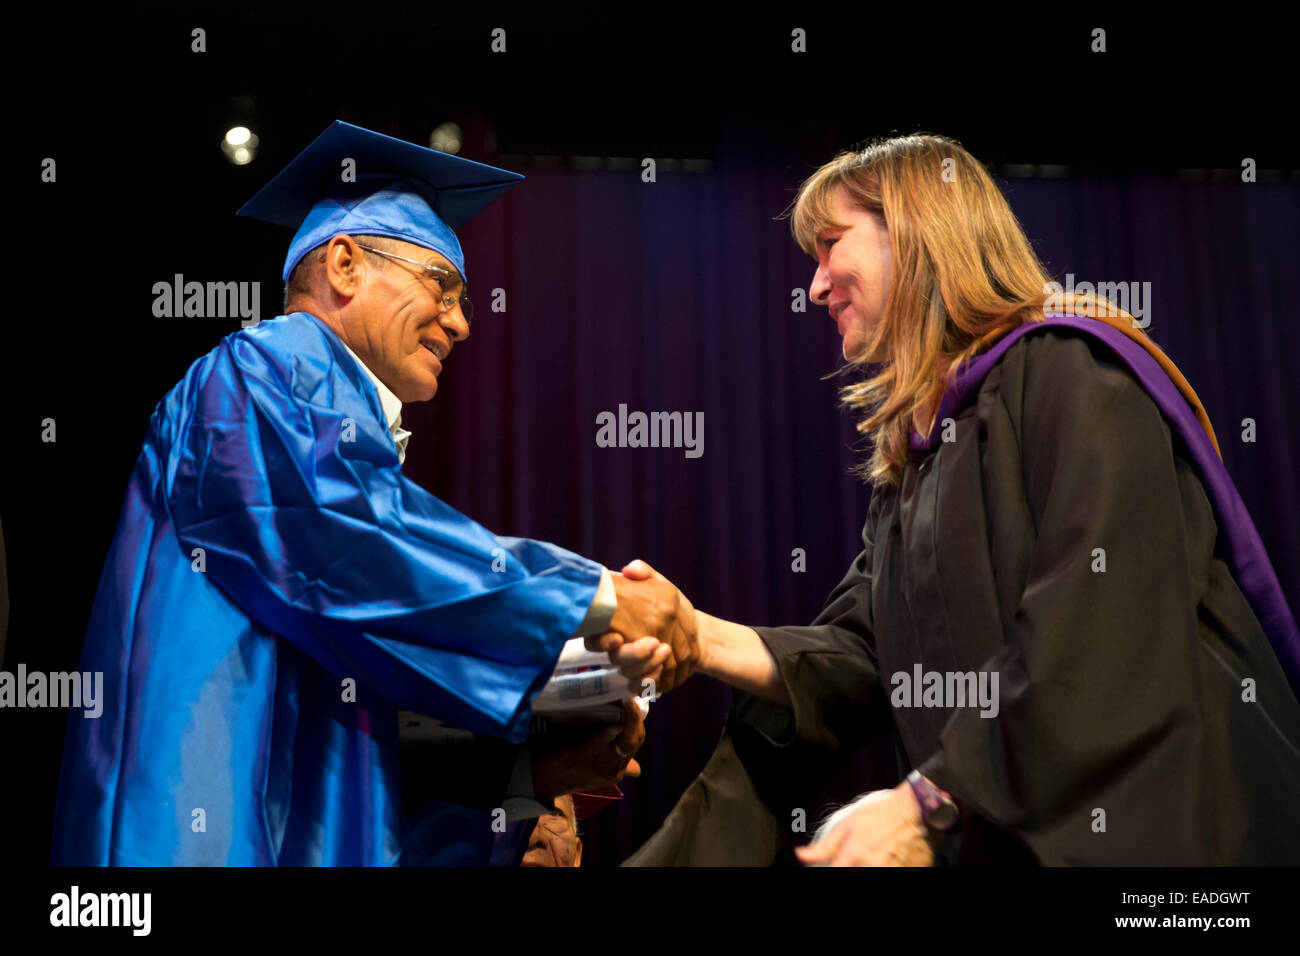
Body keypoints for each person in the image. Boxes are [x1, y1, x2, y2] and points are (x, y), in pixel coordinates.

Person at [608, 134, 1300, 866]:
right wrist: (698, 635)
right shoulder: (924, 455)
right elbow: (860, 655)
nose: (814, 286)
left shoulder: (1074, 374)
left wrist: (928, 801)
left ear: (914, 235)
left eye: (831, 244)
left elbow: (1098, 632)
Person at [50, 121, 685, 866]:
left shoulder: (343, 448)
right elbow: (339, 536)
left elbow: (350, 753)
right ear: (345, 265)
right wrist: (589, 600)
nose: (460, 322)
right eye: (441, 287)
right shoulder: (261, 369)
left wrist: (527, 777)